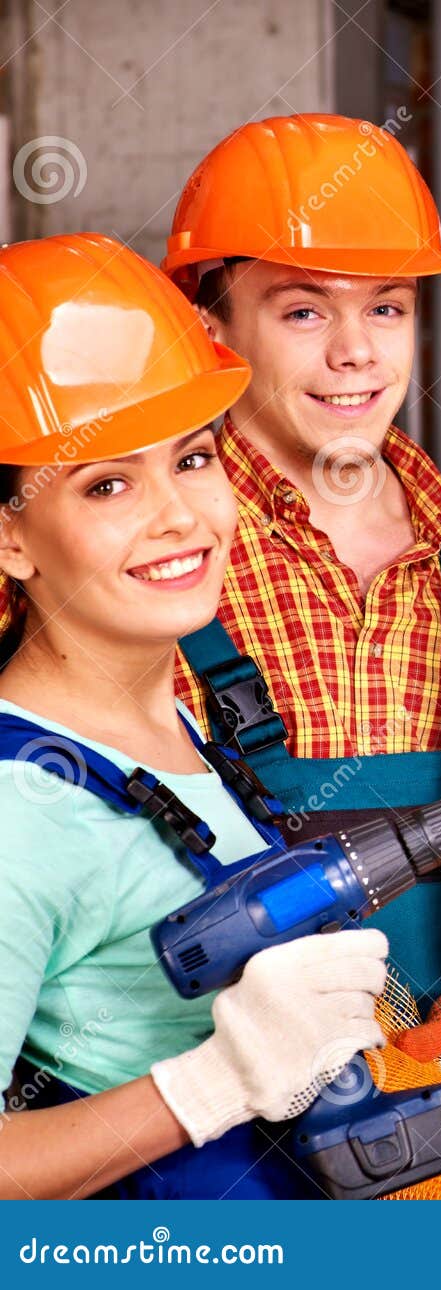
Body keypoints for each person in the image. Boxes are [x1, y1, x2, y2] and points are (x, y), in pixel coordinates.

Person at [0, 233, 389, 1199]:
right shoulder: (19, 813)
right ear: (11, 537)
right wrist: (213, 1082)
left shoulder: (183, 723)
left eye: (194, 459)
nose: (179, 516)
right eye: (108, 484)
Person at [165, 113, 441, 1078]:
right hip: (227, 1126)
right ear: (212, 328)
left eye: (386, 308)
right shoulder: (155, 566)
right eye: (302, 311)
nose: (356, 355)